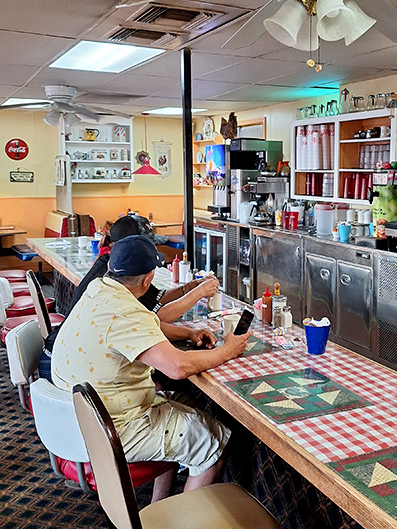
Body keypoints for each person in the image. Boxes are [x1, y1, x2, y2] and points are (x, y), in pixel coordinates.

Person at [52, 236, 251, 501]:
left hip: (76, 422)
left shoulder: (99, 290)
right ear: (148, 279)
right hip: (111, 430)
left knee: (188, 403)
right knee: (213, 442)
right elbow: (177, 367)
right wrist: (227, 350)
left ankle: (161, 506)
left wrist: (188, 334)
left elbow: (147, 323)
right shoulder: (125, 312)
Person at [38, 215, 219, 378]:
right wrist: (200, 293)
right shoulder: (124, 290)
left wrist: (188, 288)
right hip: (60, 370)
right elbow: (160, 320)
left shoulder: (111, 277)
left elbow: (156, 306)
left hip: (63, 364)